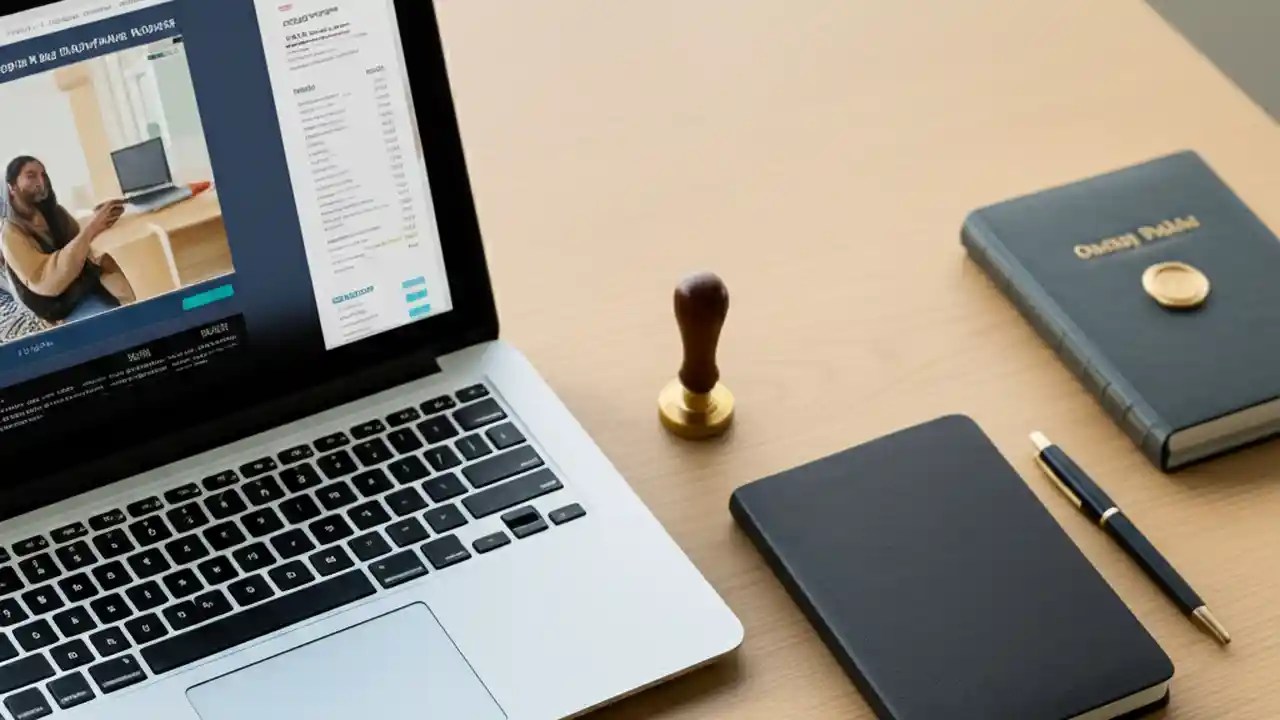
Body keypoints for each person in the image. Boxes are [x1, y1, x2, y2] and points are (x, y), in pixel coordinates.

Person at [1, 156, 134, 325]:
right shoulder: (11, 234)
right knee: (113, 323)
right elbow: (45, 280)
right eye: (31, 176)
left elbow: (79, 245)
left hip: (84, 287)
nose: (40, 182)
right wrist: (93, 228)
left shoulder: (56, 213)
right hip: (61, 305)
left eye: (43, 175)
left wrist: (101, 219)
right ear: (12, 186)